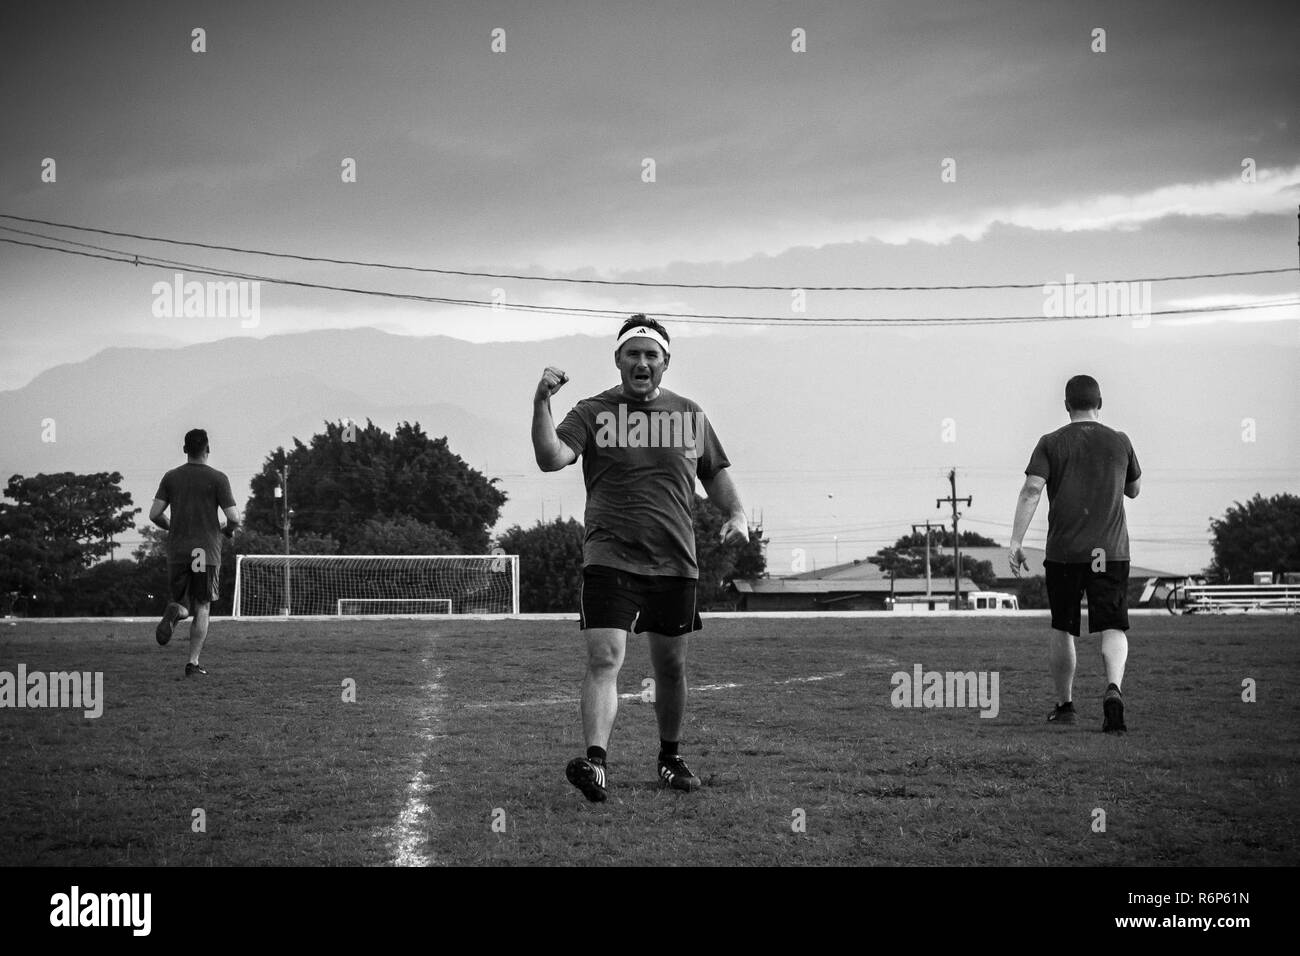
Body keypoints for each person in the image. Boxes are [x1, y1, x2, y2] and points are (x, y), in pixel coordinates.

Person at [533, 315, 749, 802]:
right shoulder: (592, 412)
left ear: (666, 362)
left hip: (675, 561)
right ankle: (595, 762)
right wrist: (541, 402)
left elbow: (713, 473)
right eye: (633, 353)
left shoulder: (690, 415)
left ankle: (669, 758)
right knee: (604, 657)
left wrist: (735, 513)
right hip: (609, 558)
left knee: (670, 668)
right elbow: (551, 458)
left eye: (652, 355)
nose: (642, 362)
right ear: (618, 360)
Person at [1009, 375, 1141, 733]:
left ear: (1067, 405)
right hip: (1110, 552)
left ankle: (1065, 705)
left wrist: (1017, 541)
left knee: (1063, 626)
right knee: (1112, 624)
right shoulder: (1120, 441)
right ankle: (1113, 688)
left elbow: (1031, 490)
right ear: (1100, 402)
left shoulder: (1050, 443)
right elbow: (1134, 490)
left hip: (1066, 553)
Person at [149, 429, 240, 677]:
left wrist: (173, 526)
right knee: (202, 606)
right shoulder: (218, 478)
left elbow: (154, 514)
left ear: (184, 449)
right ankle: (193, 663)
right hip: (205, 552)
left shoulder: (171, 477)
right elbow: (234, 517)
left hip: (178, 551)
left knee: (183, 603)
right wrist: (227, 530)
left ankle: (175, 612)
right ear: (207, 449)